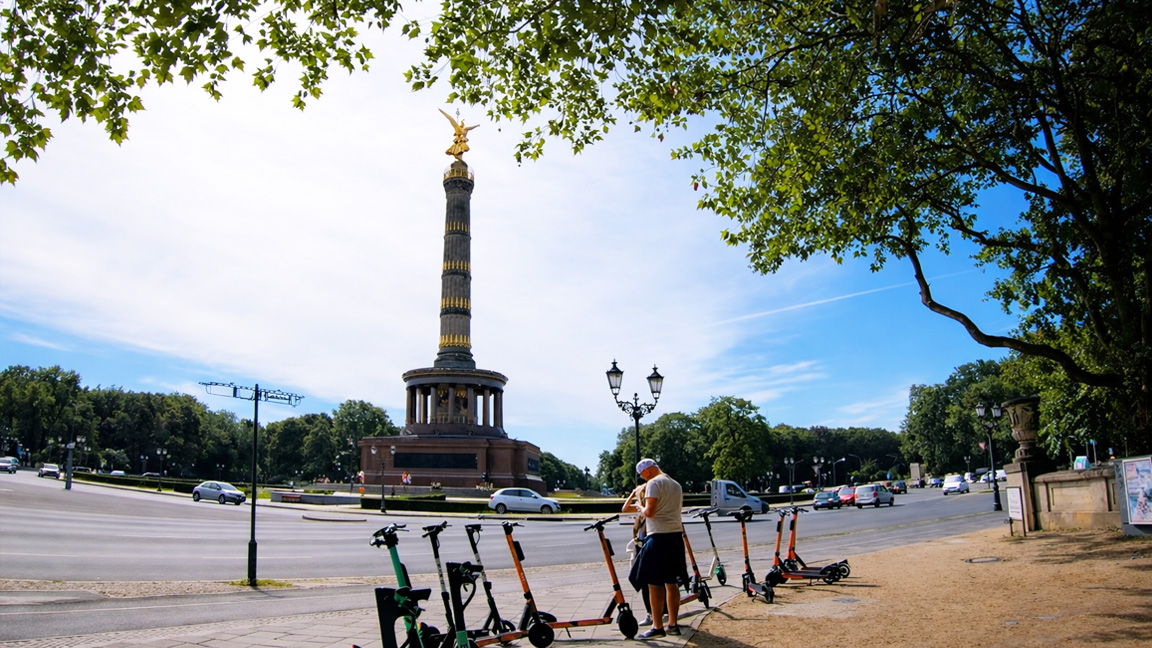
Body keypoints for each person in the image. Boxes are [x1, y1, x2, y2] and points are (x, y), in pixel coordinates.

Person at [623, 458, 687, 639]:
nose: (642, 479)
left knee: (654, 584)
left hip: (658, 537)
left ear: (647, 472)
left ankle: (657, 626)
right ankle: (673, 624)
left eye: (642, 475)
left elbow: (649, 512)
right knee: (672, 584)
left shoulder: (654, 483)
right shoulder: (676, 484)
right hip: (675, 536)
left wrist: (641, 507)